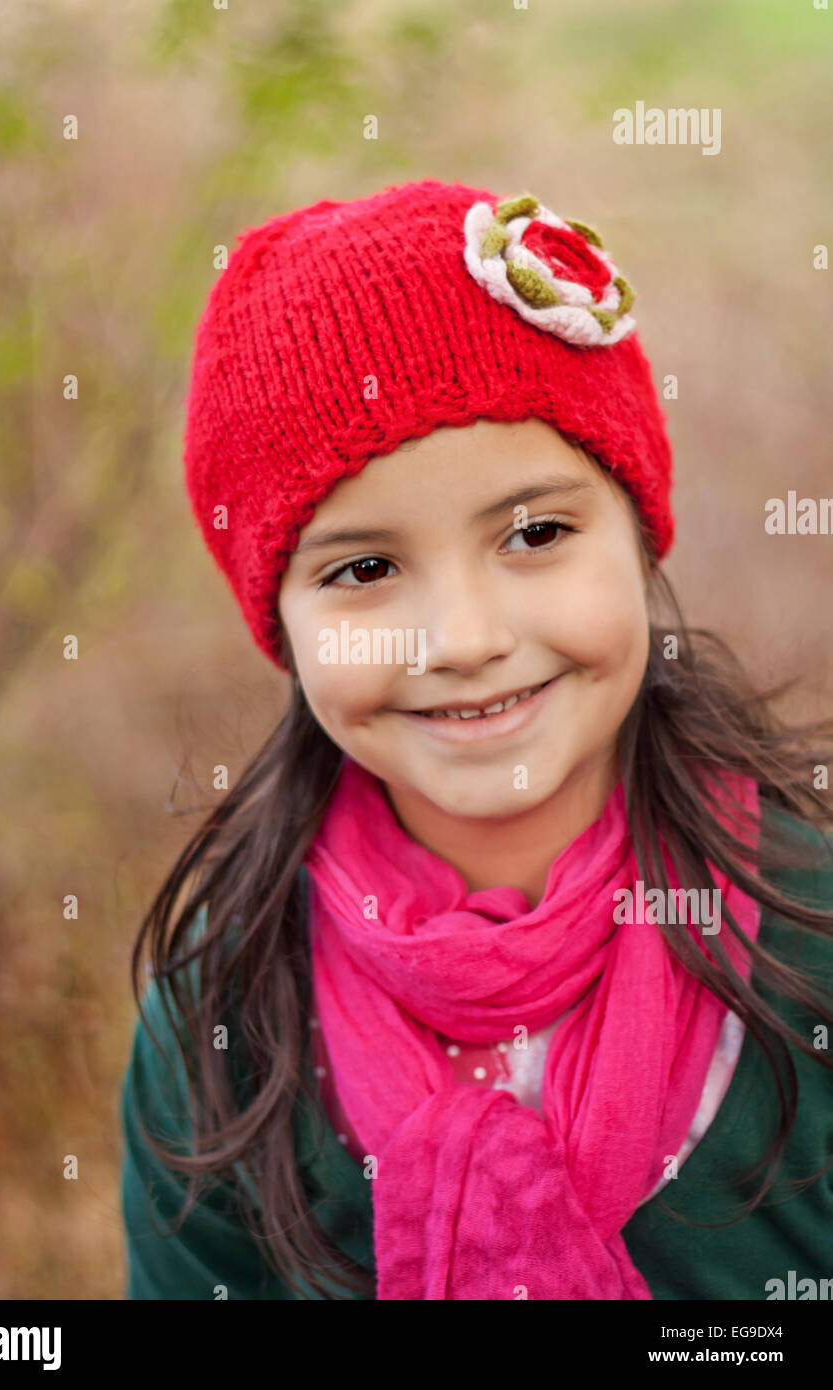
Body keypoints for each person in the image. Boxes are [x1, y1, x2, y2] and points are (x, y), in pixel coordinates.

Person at [119, 179, 833, 1301]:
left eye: (535, 532)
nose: (463, 638)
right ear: (280, 621)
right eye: (362, 568)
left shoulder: (810, 940)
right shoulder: (225, 1001)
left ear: (638, 536)